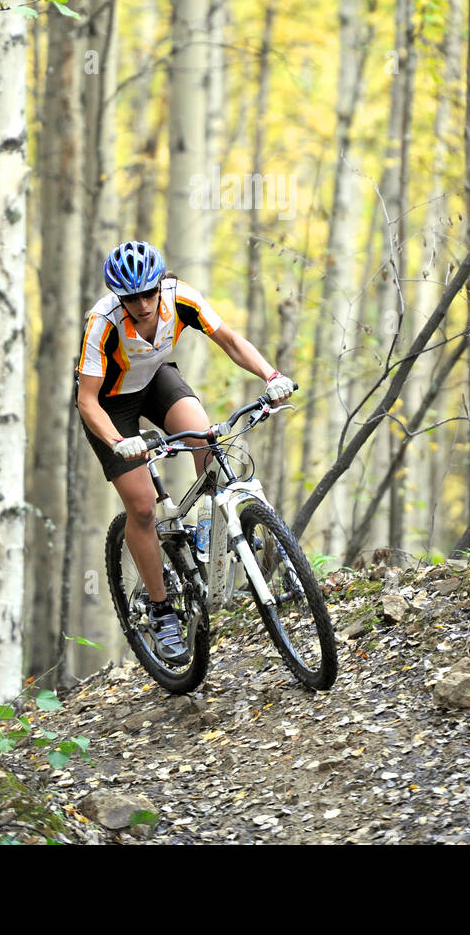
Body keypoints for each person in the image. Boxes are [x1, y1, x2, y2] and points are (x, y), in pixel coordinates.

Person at [75, 239, 294, 666]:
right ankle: (161, 612)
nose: (141, 304)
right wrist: (120, 442)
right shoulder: (103, 321)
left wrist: (271, 375)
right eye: (130, 297)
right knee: (141, 508)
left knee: (205, 435)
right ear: (119, 297)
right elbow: (87, 400)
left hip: (155, 381)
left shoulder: (182, 298)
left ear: (160, 285)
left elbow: (229, 340)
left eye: (148, 293)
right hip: (110, 404)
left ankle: (207, 534)